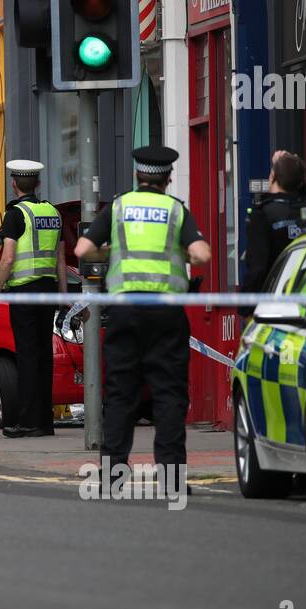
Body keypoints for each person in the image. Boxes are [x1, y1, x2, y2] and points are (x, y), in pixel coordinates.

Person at [74, 145, 211, 481]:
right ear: (168, 178)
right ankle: (171, 477)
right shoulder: (176, 211)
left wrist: (112, 249)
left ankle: (112, 473)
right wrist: (183, 254)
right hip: (166, 314)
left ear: (138, 175)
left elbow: (83, 249)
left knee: (121, 392)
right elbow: (202, 255)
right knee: (168, 394)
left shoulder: (119, 207)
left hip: (125, 311)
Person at [0, 159, 66, 438]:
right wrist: (64, 295)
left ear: (13, 184)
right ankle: (45, 421)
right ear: (38, 183)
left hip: (24, 292)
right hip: (48, 292)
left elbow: (7, 258)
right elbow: (60, 259)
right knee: (44, 356)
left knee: (28, 357)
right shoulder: (53, 213)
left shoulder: (15, 215)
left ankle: (28, 421)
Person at [242, 150, 306, 297]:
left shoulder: (263, 214)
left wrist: (246, 307)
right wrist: (291, 166)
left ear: (273, 176)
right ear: (301, 182)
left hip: (273, 301)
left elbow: (258, 268)